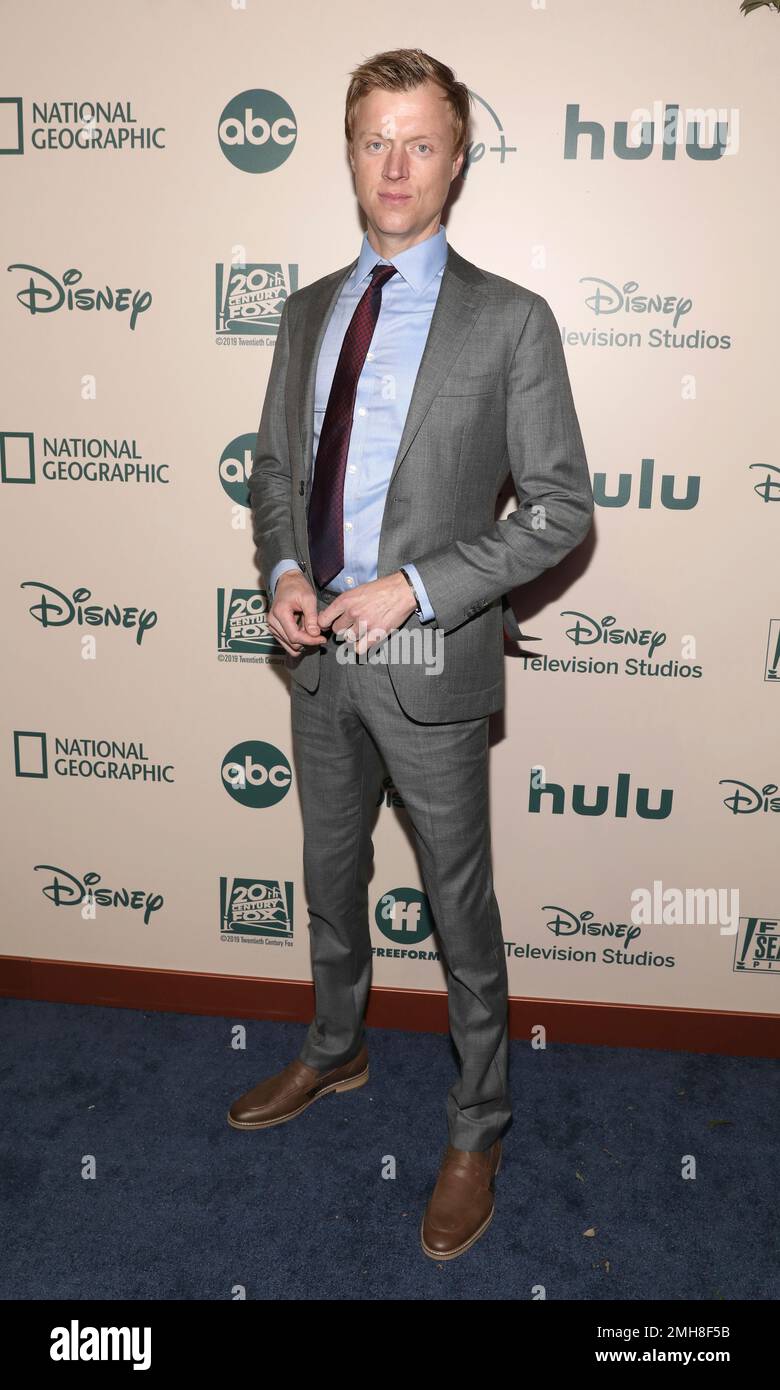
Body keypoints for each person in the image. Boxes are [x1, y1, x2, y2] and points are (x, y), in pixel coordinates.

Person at [229, 47, 594, 1261]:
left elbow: (559, 508)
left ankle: (478, 1123)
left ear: (457, 158)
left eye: (420, 142)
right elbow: (274, 473)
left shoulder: (510, 319)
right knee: (329, 880)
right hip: (316, 663)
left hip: (432, 667)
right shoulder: (304, 312)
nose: (396, 166)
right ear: (348, 154)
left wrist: (419, 588)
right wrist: (285, 572)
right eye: (374, 140)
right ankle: (336, 1048)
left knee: (458, 909)